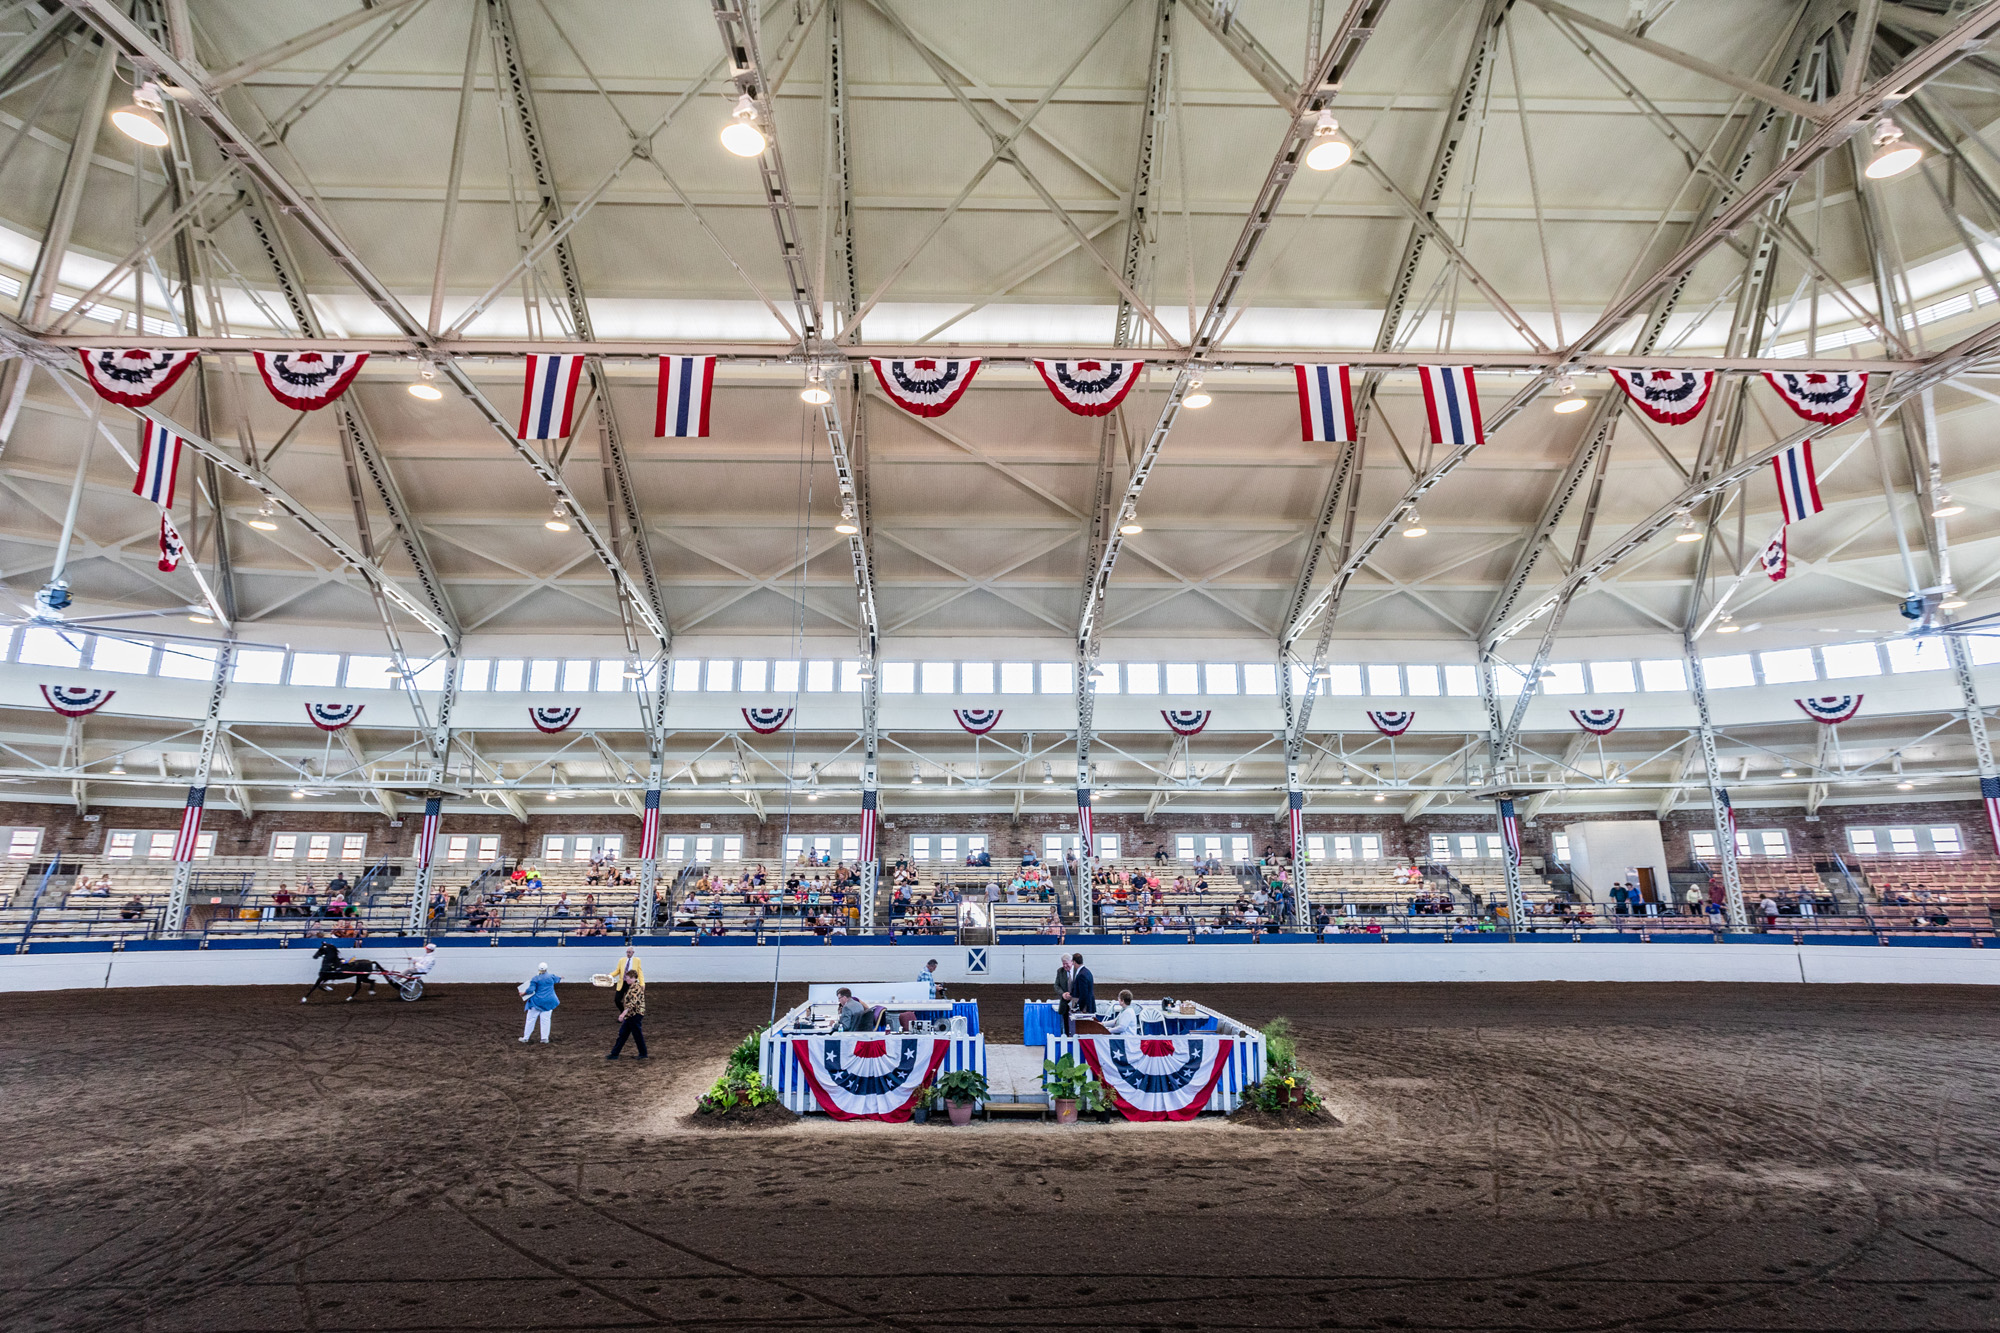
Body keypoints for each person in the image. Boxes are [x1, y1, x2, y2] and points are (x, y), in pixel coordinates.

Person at [607, 970, 648, 1060]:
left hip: (634, 1014)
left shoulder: (635, 988)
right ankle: (615, 1053)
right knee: (625, 1034)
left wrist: (623, 1014)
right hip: (632, 1015)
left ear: (633, 978)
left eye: (628, 978)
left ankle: (642, 1053)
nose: (626, 980)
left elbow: (632, 1004)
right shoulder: (633, 987)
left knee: (631, 1035)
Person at [518, 963, 560, 1043]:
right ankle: (544, 1038)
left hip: (537, 1002)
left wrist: (523, 993)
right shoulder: (551, 976)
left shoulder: (535, 979)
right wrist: (561, 977)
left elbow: (531, 990)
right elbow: (557, 979)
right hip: (549, 1002)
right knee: (546, 1020)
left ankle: (526, 1037)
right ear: (546, 969)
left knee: (530, 1019)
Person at [1068, 952, 1096, 1023]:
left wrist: (1078, 1007)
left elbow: (1083, 993)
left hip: (1085, 1007)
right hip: (1089, 1003)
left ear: (1074, 962)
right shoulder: (1087, 972)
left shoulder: (1081, 975)